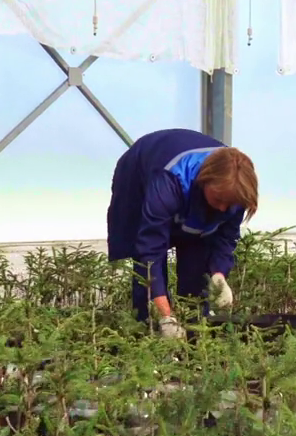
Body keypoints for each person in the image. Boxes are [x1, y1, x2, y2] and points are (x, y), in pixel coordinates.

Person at [106, 129, 258, 338]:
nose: (224, 208)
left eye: (229, 204)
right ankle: (145, 332)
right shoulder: (170, 180)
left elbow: (225, 239)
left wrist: (219, 275)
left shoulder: (237, 192)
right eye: (218, 199)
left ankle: (195, 334)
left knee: (198, 260)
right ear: (205, 180)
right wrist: (165, 316)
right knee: (145, 260)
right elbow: (150, 249)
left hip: (189, 192)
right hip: (138, 173)